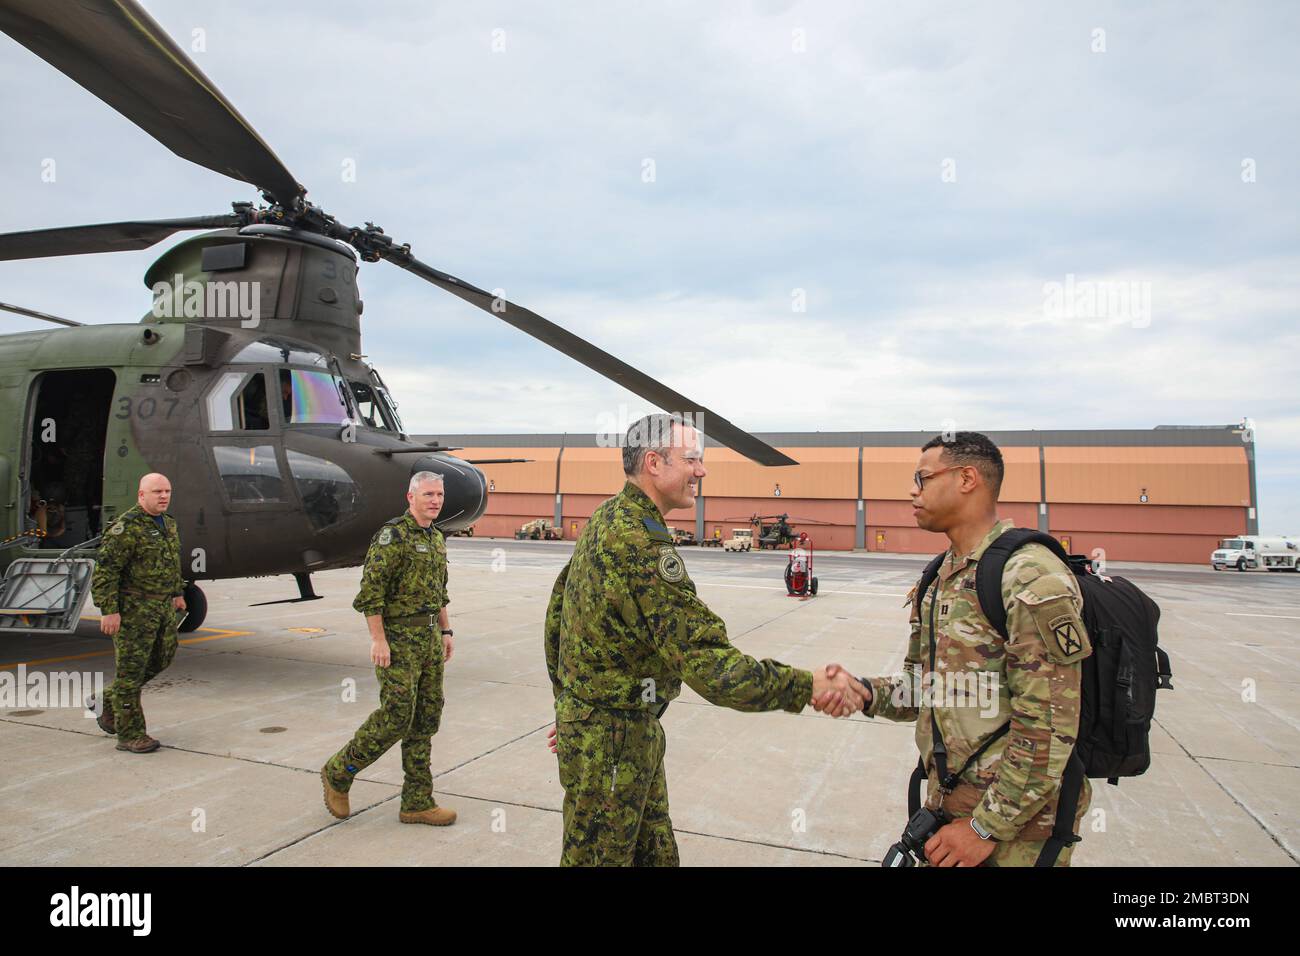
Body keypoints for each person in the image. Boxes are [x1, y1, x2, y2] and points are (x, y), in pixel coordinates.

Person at [544, 413, 863, 866]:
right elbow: (710, 665)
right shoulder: (639, 544)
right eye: (692, 459)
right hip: (610, 740)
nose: (702, 470)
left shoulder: (606, 518)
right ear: (654, 462)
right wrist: (806, 685)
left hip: (620, 729)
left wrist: (573, 702)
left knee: (655, 856)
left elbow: (558, 617)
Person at [837, 432, 1092, 866]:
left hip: (1016, 833)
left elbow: (1049, 725)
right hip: (952, 813)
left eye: (922, 478)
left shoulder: (1029, 576)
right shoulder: (940, 577)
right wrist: (863, 691)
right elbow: (926, 689)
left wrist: (984, 828)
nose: (912, 492)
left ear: (967, 478)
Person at [321, 471, 457, 826]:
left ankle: (417, 801)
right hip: (398, 640)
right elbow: (371, 594)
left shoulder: (437, 537)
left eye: (439, 494)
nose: (435, 500)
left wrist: (446, 630)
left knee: (425, 720)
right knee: (396, 716)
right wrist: (378, 639)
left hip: (428, 641)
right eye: (428, 494)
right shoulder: (392, 536)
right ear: (410, 497)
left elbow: (439, 591)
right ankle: (340, 770)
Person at [87, 473, 186, 754]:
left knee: (164, 657)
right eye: (157, 491)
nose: (164, 496)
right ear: (141, 495)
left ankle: (106, 699)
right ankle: (131, 735)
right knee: (130, 673)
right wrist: (109, 611)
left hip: (161, 606)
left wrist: (178, 593)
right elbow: (106, 572)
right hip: (133, 611)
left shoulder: (168, 524)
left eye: (167, 491)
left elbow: (171, 561)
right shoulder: (125, 527)